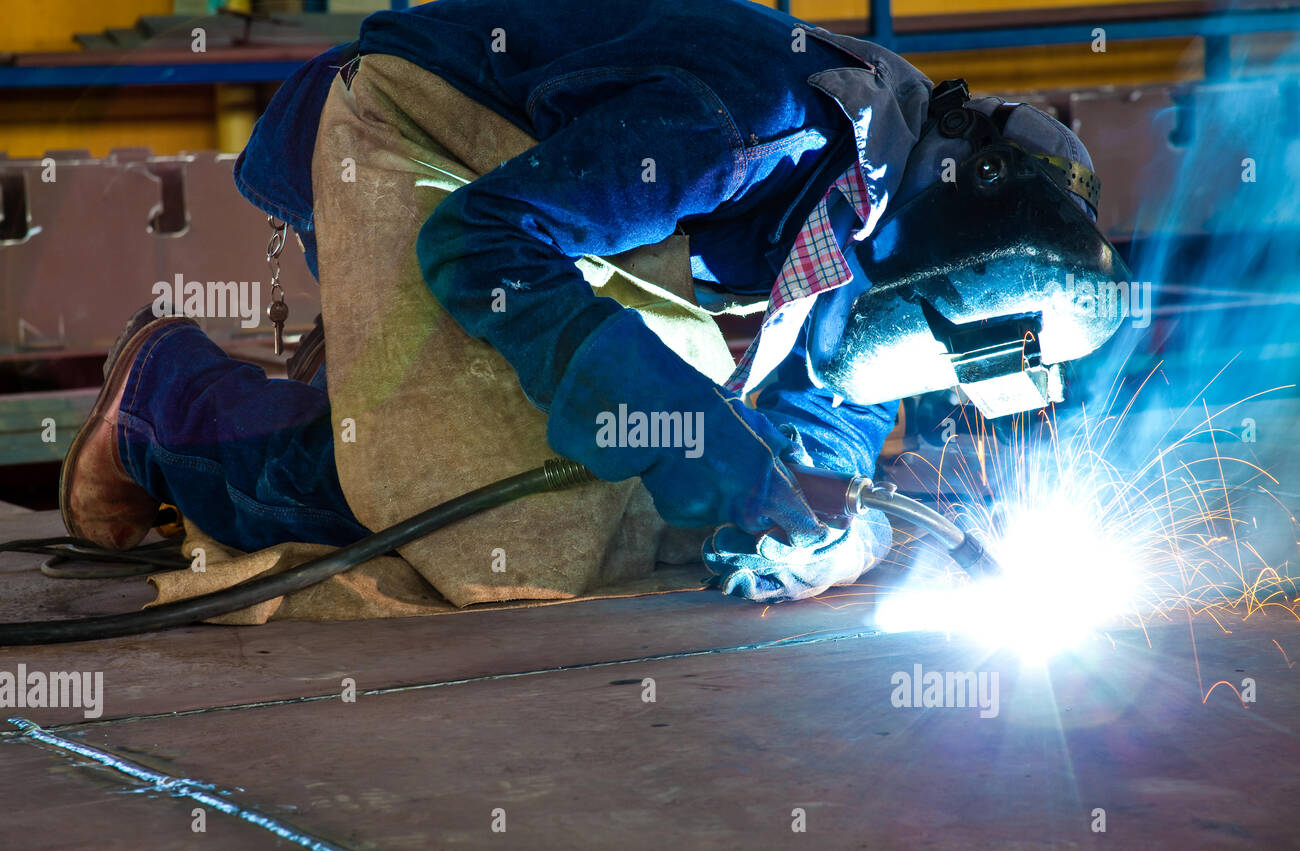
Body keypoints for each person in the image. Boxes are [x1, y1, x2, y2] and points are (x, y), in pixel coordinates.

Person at [59, 0, 1116, 605]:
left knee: (637, 504)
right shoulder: (743, 122)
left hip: (558, 206)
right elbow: (479, 241)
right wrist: (695, 438)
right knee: (482, 511)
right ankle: (166, 400)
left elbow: (830, 387)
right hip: (414, 132)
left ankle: (361, 392)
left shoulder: (876, 197)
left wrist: (809, 512)